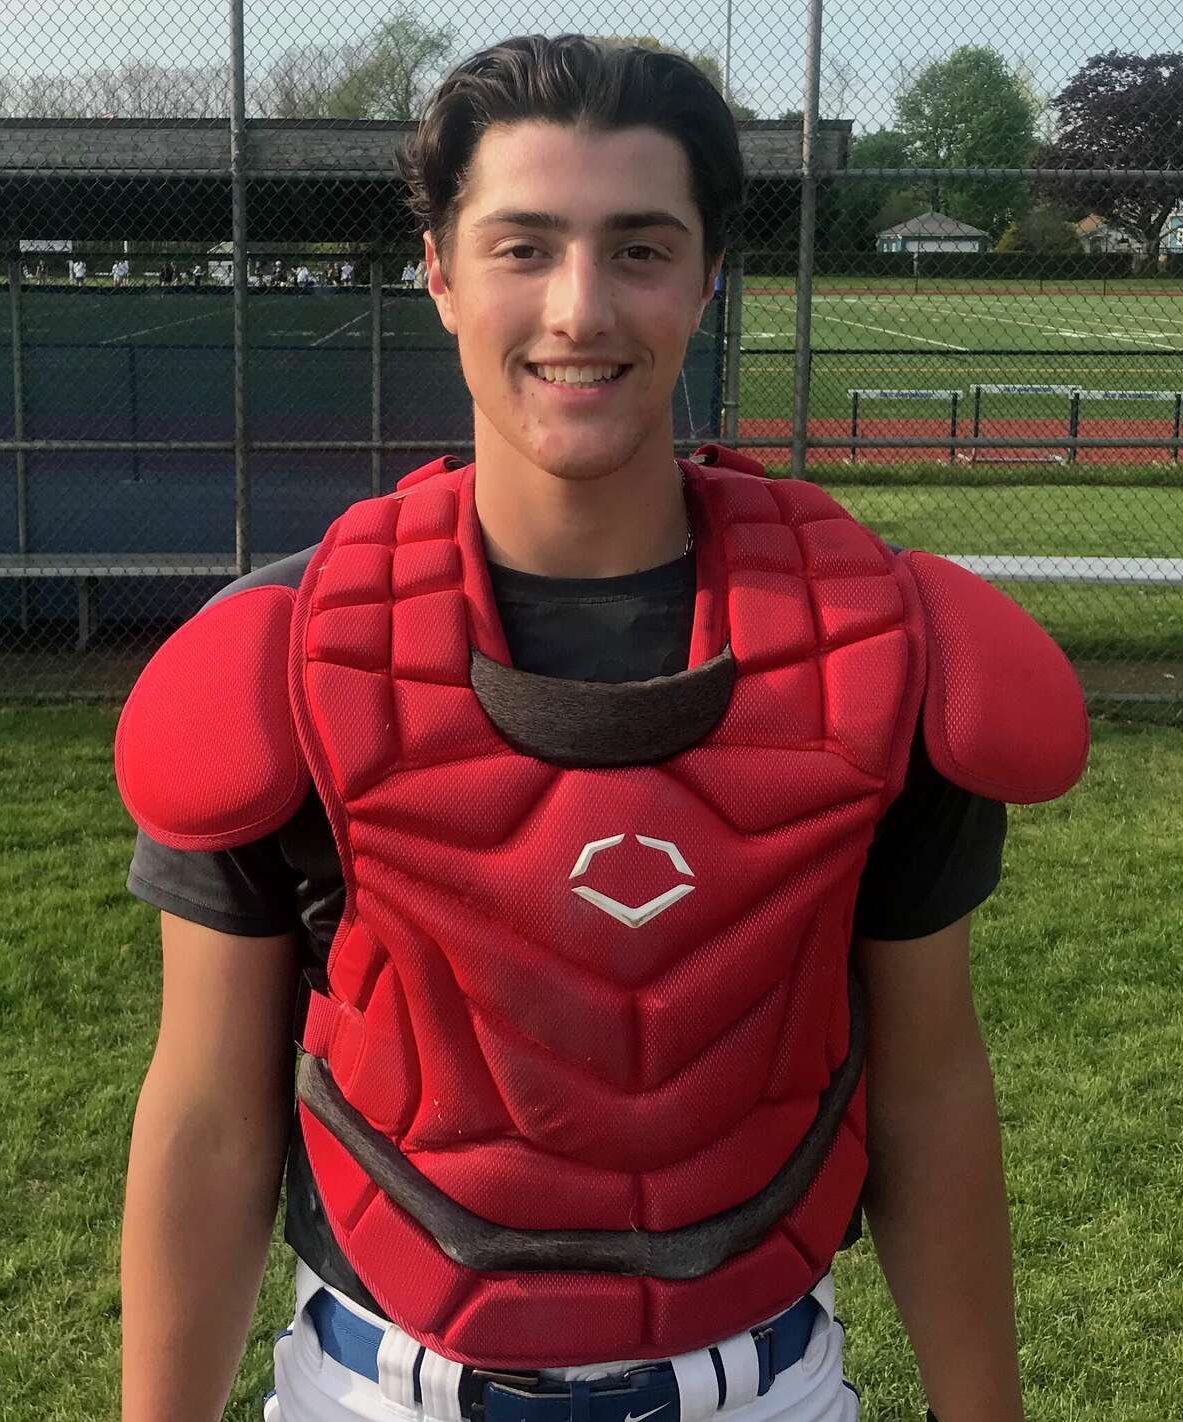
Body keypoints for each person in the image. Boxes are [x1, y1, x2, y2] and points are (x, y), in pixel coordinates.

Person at [115, 35, 1088, 1422]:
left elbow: (931, 1088)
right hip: (376, 1389)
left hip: (758, 1387)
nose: (580, 309)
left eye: (639, 248)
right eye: (524, 246)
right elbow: (210, 1114)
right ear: (440, 274)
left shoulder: (875, 653)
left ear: (706, 276)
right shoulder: (289, 662)